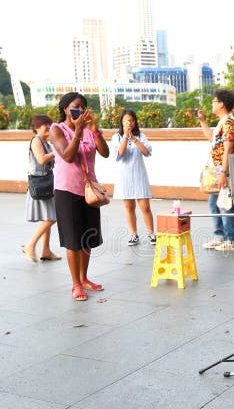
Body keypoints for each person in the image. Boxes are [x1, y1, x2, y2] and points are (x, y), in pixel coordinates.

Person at [49, 92, 110, 301]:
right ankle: (75, 284)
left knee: (87, 239)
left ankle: (84, 278)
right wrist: (76, 130)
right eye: (76, 107)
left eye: (83, 107)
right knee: (73, 240)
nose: (81, 111)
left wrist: (94, 129)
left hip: (89, 190)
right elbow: (67, 155)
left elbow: (105, 152)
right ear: (66, 108)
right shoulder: (56, 130)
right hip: (67, 190)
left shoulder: (88, 130)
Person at [197, 88, 234, 252]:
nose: (212, 104)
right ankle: (220, 237)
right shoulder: (223, 122)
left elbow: (228, 148)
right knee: (215, 204)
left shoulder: (229, 122)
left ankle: (232, 239)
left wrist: (223, 173)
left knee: (225, 204)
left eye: (214, 101)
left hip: (225, 169)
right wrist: (202, 120)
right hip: (218, 169)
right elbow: (211, 138)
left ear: (221, 104)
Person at [111, 109, 156, 246]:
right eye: (125, 121)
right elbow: (120, 154)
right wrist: (125, 137)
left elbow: (147, 151)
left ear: (135, 122)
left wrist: (134, 139)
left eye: (131, 120)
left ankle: (151, 234)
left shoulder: (141, 136)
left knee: (145, 206)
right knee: (129, 207)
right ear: (121, 123)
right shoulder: (116, 137)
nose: (128, 123)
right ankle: (133, 234)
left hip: (139, 175)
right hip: (125, 176)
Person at [23, 114, 60, 263]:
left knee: (48, 216)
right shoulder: (36, 140)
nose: (48, 126)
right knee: (52, 217)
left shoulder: (47, 143)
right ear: (36, 127)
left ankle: (45, 250)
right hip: (40, 183)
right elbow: (42, 159)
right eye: (45, 124)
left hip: (48, 182)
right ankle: (30, 245)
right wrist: (58, 151)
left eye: (50, 124)